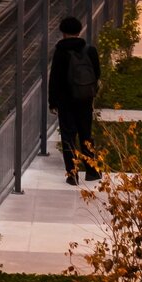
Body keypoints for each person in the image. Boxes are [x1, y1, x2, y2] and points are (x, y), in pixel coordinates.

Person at [48, 15, 101, 184]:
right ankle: (92, 171)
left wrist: (53, 102)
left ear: (63, 33)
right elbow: (97, 73)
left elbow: (54, 79)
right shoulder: (89, 50)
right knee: (86, 134)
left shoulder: (60, 52)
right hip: (85, 99)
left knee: (68, 137)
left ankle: (72, 175)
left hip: (66, 101)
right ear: (80, 31)